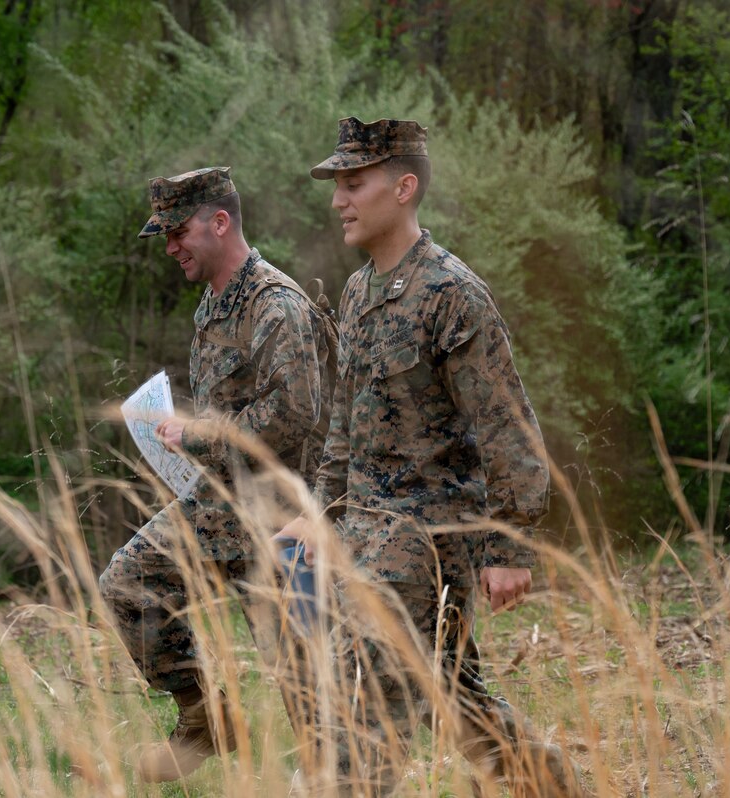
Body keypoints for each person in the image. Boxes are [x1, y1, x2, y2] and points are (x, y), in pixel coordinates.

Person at [277, 119, 585, 797]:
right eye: (337, 186)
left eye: (354, 183)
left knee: (362, 710)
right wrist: (318, 514)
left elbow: (507, 424)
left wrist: (511, 546)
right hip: (363, 533)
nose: (339, 201)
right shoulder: (357, 294)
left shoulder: (452, 294)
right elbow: (343, 430)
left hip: (429, 546)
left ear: (404, 186)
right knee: (455, 699)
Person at [99, 166, 331, 783]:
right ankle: (205, 719)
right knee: (127, 584)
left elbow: (297, 413)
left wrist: (199, 433)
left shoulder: (275, 305)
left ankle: (331, 778)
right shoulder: (212, 305)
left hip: (280, 519)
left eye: (177, 233)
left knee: (300, 673)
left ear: (220, 222)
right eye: (165, 236)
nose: (170, 248)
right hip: (217, 506)